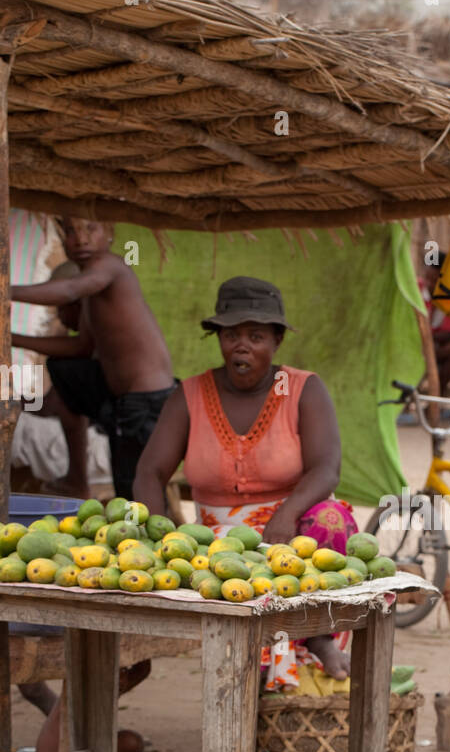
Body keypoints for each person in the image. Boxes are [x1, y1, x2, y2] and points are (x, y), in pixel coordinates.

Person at [133, 276, 354, 680]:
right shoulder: (191, 394)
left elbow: (326, 468)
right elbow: (150, 471)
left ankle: (317, 633)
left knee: (331, 519)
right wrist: (154, 537)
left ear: (276, 342)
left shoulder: (302, 389)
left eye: (256, 335)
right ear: (218, 338)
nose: (242, 345)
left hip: (287, 536)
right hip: (216, 545)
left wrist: (287, 515)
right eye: (231, 334)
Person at [10, 218, 175, 498]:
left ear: (109, 233)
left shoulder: (110, 266)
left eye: (90, 228)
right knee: (128, 482)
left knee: (137, 488)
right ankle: (81, 482)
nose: (81, 239)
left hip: (146, 400)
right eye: (71, 231)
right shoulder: (92, 290)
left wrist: (7, 291)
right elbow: (81, 347)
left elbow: (69, 290)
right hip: (127, 402)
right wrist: (11, 338)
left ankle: (155, 539)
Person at [419, 252, 450, 393]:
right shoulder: (415, 289)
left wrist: (427, 337)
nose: (430, 284)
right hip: (412, 345)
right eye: (428, 278)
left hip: (433, 347)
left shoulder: (449, 296)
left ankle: (438, 393)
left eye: (434, 280)